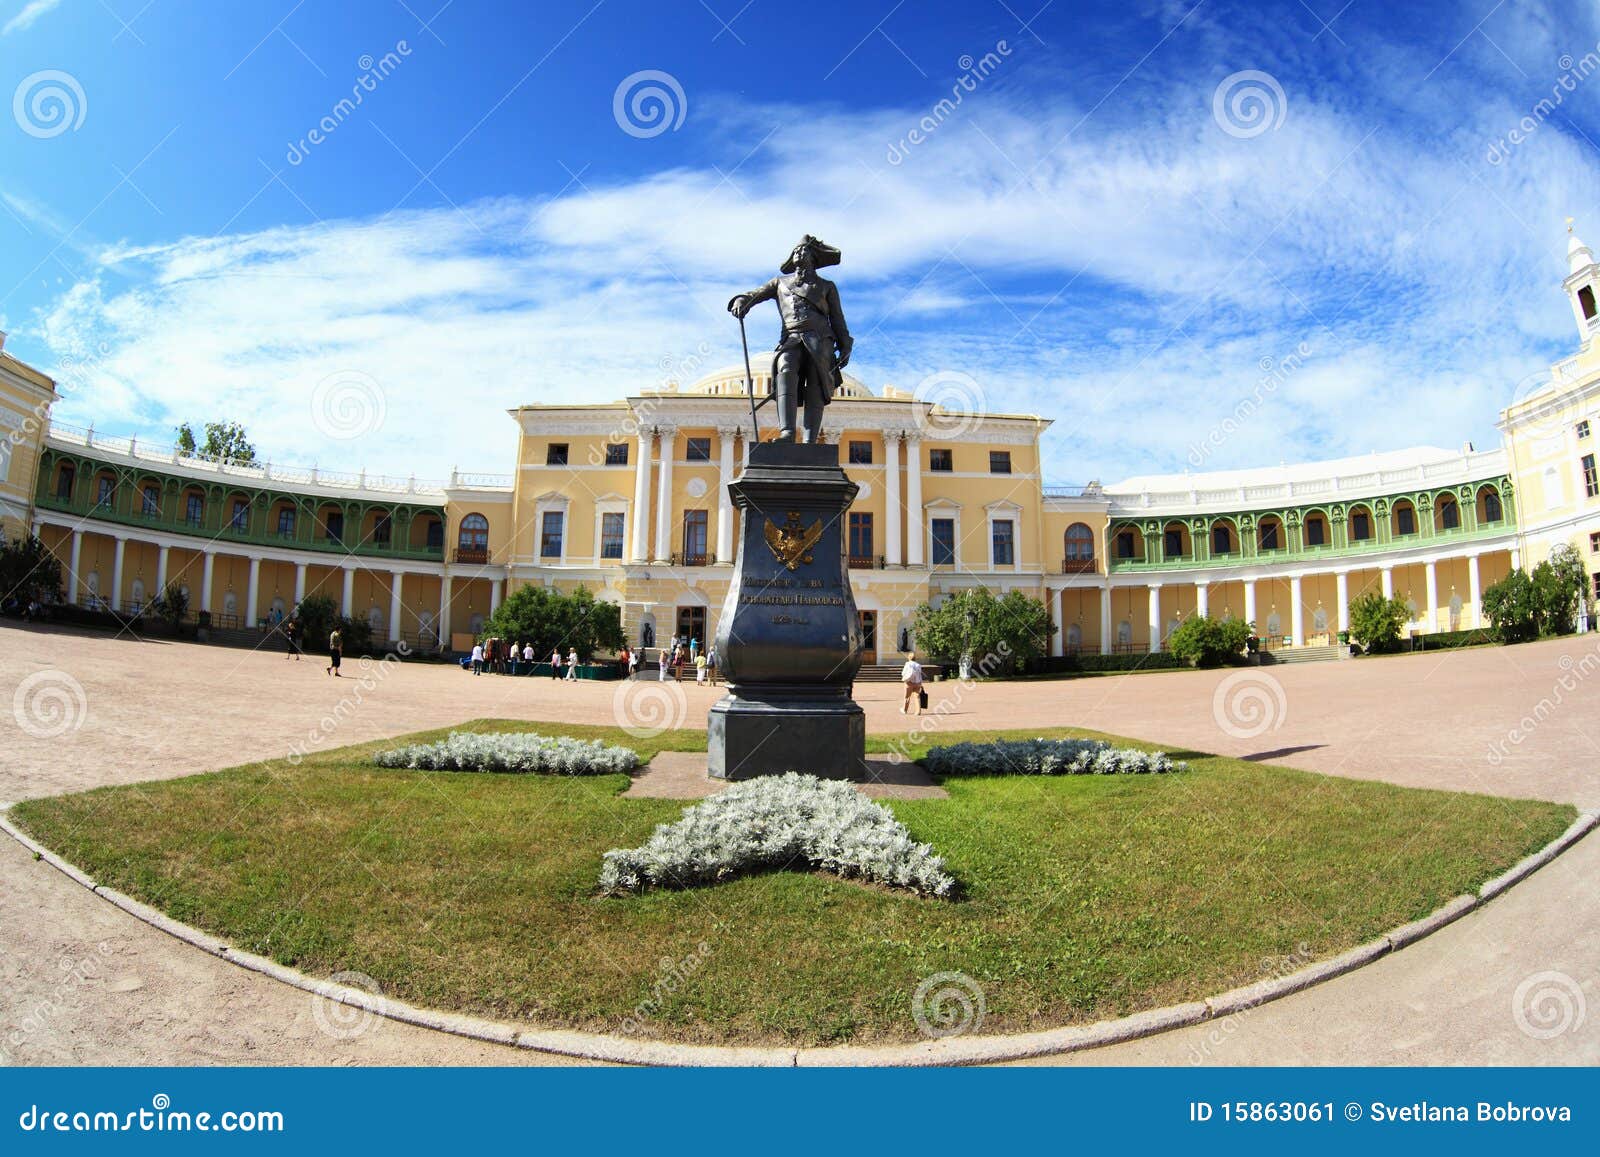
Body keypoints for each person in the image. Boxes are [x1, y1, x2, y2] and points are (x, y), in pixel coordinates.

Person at [900, 651, 925, 716]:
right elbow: (919, 674)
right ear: (915, 658)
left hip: (909, 683)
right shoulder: (918, 665)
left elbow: (903, 673)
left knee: (907, 697)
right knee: (917, 697)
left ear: (909, 657)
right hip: (917, 683)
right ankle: (918, 711)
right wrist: (920, 683)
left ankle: (905, 710)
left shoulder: (907, 664)